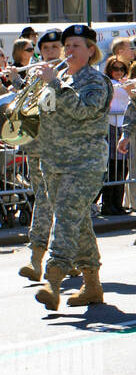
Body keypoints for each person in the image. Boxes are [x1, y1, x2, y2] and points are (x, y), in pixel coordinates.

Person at [33, 25, 113, 311]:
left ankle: (52, 280)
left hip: (84, 164)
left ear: (91, 50)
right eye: (67, 45)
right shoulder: (60, 78)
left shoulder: (96, 81)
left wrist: (54, 85)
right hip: (54, 162)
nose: (68, 51)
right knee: (77, 224)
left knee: (65, 219)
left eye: (76, 46)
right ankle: (92, 285)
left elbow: (84, 111)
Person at [16, 30, 64, 283]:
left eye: (55, 48)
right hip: (37, 148)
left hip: (63, 152)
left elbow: (56, 109)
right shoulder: (35, 74)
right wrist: (18, 82)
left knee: (63, 206)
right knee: (44, 201)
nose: (50, 53)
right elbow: (22, 108)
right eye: (45, 49)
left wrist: (50, 83)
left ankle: (72, 257)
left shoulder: (68, 75)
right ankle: (36, 259)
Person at [100, 56, 132, 216]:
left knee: (123, 167)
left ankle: (118, 204)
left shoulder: (127, 83)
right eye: (115, 69)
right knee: (112, 167)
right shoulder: (109, 84)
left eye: (122, 69)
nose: (118, 72)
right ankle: (108, 204)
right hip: (111, 126)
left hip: (124, 126)